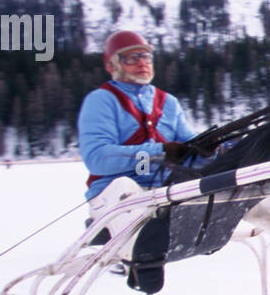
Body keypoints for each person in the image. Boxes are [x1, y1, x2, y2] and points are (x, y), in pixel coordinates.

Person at [78, 30, 196, 210]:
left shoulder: (169, 102)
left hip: (167, 190)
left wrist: (218, 149)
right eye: (132, 58)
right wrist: (159, 152)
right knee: (128, 190)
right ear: (111, 66)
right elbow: (97, 158)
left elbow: (190, 146)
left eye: (146, 57)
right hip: (113, 194)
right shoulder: (101, 100)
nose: (142, 63)